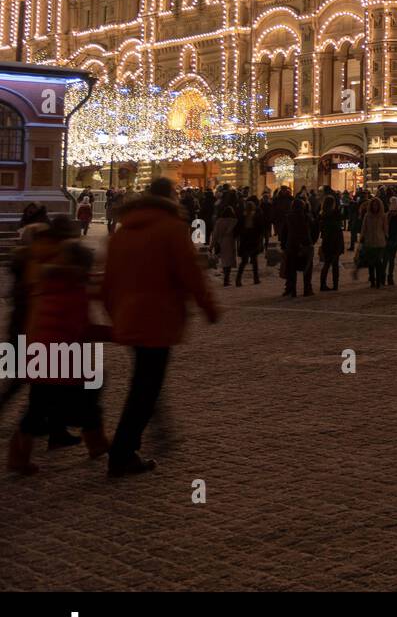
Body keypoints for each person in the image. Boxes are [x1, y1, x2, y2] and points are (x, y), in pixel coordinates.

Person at [102, 178, 218, 477]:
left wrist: (116, 313)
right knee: (145, 388)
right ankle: (123, 452)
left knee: (145, 383)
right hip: (158, 318)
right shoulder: (170, 228)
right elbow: (189, 272)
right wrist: (209, 307)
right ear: (170, 197)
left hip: (130, 318)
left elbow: (107, 281)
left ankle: (137, 441)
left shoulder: (123, 231)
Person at [6, 216, 108, 476]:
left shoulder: (49, 282)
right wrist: (116, 333)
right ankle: (96, 443)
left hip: (42, 352)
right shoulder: (72, 290)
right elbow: (80, 327)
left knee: (42, 406)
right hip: (61, 356)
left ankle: (20, 454)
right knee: (87, 394)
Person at [282, 198, 316, 297]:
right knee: (307, 268)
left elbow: (284, 233)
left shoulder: (288, 217)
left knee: (292, 268)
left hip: (292, 245)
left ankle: (292, 290)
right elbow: (314, 230)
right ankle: (307, 289)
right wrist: (311, 241)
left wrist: (284, 245)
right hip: (306, 244)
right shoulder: (307, 217)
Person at [359, 197, 388, 288]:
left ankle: (378, 281)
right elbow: (364, 228)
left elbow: (385, 228)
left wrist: (386, 237)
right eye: (373, 205)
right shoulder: (367, 216)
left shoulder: (382, 216)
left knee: (378, 262)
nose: (375, 207)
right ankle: (372, 280)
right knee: (371, 263)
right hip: (369, 241)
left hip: (380, 242)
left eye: (376, 205)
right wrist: (362, 237)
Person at [318, 195, 344, 291]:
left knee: (327, 263)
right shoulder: (335, 214)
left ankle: (323, 284)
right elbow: (339, 223)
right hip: (335, 240)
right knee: (335, 264)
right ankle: (335, 284)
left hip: (327, 241)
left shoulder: (323, 214)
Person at [235, 197, 262, 285]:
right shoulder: (255, 217)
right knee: (253, 261)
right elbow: (259, 229)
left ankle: (239, 279)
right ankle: (255, 278)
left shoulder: (243, 217)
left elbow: (238, 229)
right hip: (252, 239)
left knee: (245, 261)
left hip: (246, 239)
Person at [210, 204, 238, 286]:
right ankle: (227, 278)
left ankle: (226, 279)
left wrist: (211, 246)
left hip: (221, 242)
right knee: (229, 261)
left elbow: (215, 235)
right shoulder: (234, 221)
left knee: (224, 261)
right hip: (231, 242)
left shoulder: (219, 222)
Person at [384, 196, 397, 286]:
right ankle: (384, 276)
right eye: (393, 211)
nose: (394, 213)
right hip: (388, 241)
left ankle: (389, 277)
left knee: (390, 260)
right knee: (386, 260)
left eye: (395, 211)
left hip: (393, 241)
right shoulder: (387, 217)